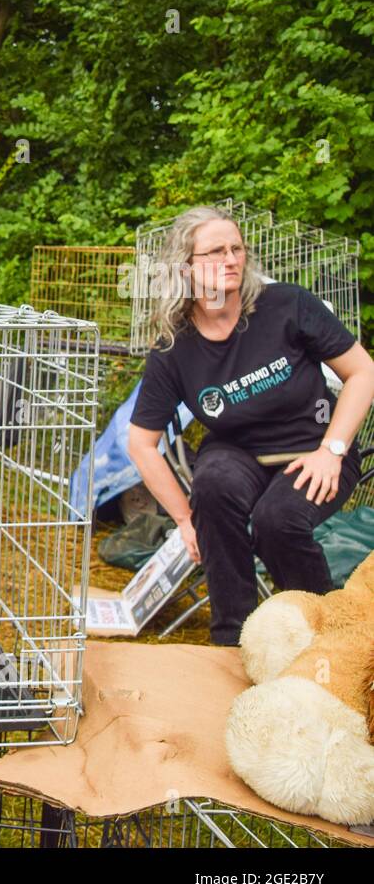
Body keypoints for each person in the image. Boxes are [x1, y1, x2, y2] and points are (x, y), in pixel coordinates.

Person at [127, 205, 374, 645]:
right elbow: (141, 443)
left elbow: (363, 372)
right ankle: (231, 639)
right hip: (237, 452)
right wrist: (185, 520)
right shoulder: (174, 348)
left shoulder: (288, 306)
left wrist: (332, 450)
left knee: (276, 520)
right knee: (213, 488)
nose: (231, 259)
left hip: (315, 448)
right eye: (215, 251)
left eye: (236, 248)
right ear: (185, 268)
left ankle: (326, 635)